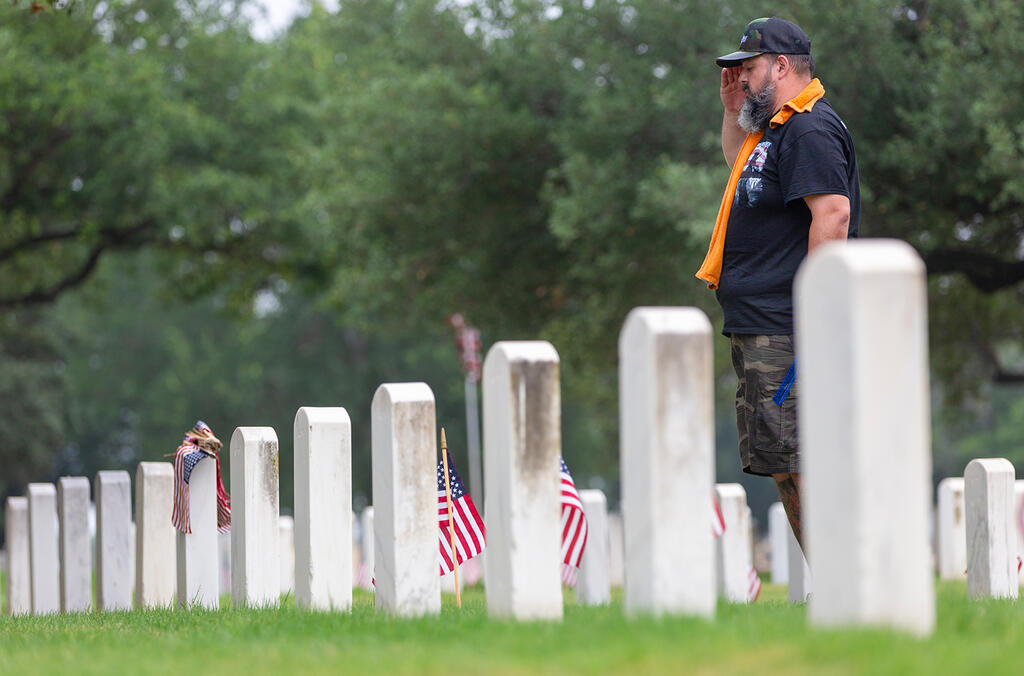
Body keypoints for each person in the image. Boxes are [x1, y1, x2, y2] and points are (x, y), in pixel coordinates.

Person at [695, 17, 860, 549]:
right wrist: (730, 114)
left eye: (749, 67)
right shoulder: (775, 129)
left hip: (789, 326)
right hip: (761, 323)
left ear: (782, 66)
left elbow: (833, 216)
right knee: (785, 463)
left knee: (801, 458)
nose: (740, 77)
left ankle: (841, 586)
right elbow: (741, 175)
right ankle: (831, 583)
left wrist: (815, 315)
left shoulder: (809, 127)